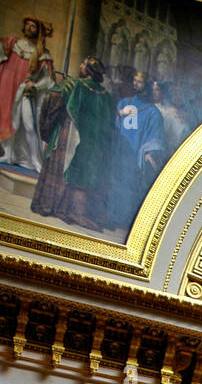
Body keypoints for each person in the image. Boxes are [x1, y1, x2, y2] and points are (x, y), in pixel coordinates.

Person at [31, 57, 116, 231]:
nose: (80, 65)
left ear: (90, 70)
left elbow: (59, 99)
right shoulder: (106, 96)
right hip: (94, 144)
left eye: (83, 63)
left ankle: (53, 204)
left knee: (66, 167)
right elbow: (109, 123)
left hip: (72, 136)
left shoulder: (77, 85)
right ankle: (79, 210)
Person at [109, 70, 166, 231]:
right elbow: (111, 125)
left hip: (134, 157)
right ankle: (111, 216)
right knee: (114, 183)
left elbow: (154, 138)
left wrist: (148, 154)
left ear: (147, 86)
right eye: (134, 80)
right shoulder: (123, 103)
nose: (135, 84)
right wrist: (120, 114)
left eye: (140, 82)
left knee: (128, 188)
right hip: (118, 153)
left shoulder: (153, 112)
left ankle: (123, 221)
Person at [0, 16, 52, 150]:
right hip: (6, 84)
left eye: (33, 26)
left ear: (38, 31)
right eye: (27, 25)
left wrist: (34, 85)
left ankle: (13, 152)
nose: (29, 28)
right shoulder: (13, 42)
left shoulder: (41, 52)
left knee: (20, 120)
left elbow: (48, 79)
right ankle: (5, 151)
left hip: (22, 89)